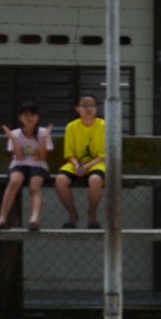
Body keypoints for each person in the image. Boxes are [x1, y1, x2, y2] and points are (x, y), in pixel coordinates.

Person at [0, 100, 52, 232]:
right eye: (25, 115)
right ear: (20, 117)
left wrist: (44, 139)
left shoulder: (43, 132)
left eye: (32, 115)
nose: (29, 118)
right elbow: (19, 157)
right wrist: (13, 139)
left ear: (37, 117)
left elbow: (43, 157)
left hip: (39, 165)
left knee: (34, 187)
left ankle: (34, 219)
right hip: (19, 164)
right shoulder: (15, 133)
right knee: (14, 182)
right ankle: (2, 218)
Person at [55, 94, 106, 229]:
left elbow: (103, 155)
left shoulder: (103, 125)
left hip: (96, 162)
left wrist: (88, 166)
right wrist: (77, 165)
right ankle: (72, 215)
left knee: (95, 180)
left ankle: (92, 215)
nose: (89, 108)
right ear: (77, 109)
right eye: (85, 105)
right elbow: (69, 154)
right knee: (60, 180)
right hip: (76, 163)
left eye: (92, 105)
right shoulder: (71, 127)